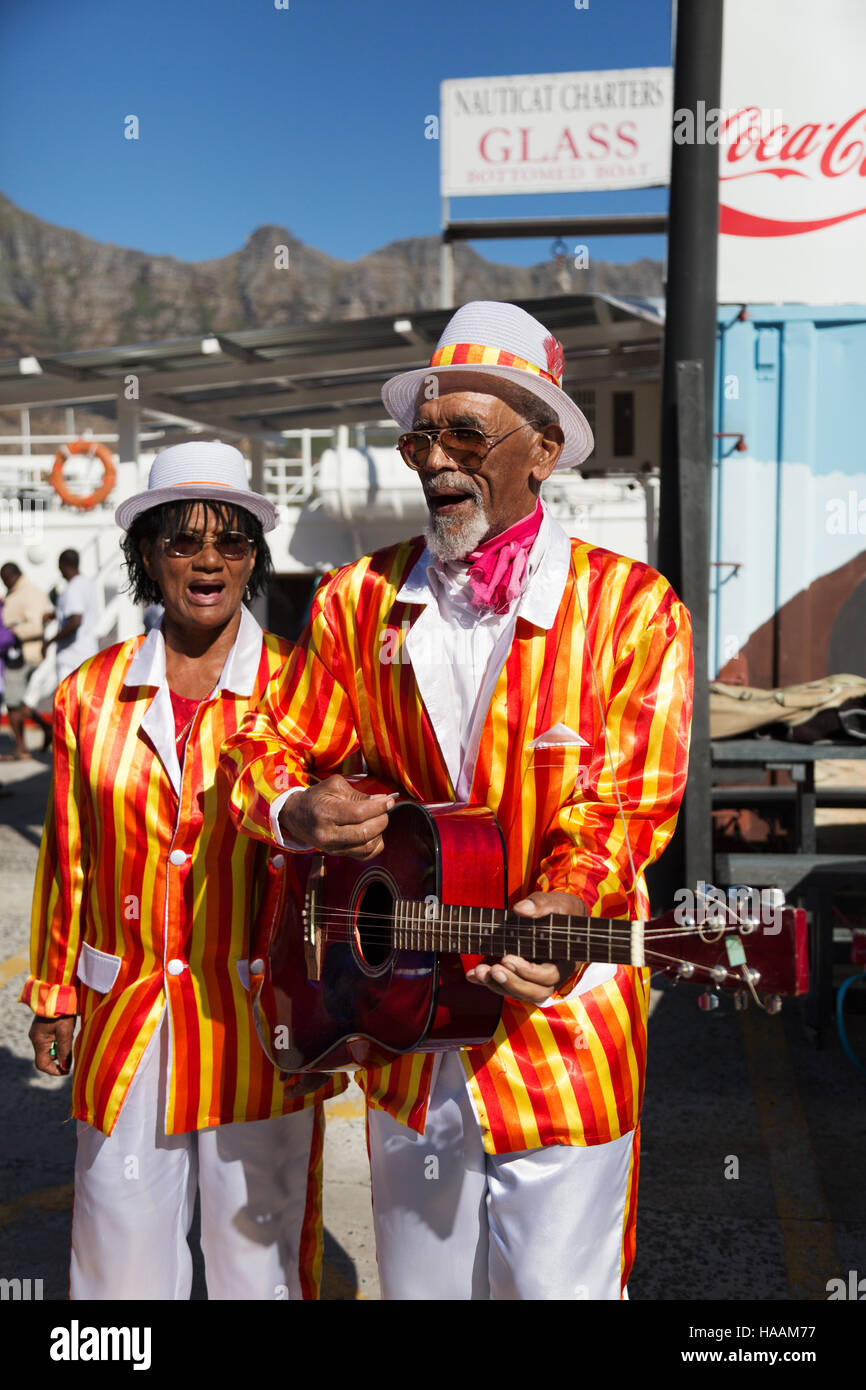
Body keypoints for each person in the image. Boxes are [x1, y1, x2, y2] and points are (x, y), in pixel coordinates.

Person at [222, 302, 693, 1300]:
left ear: (543, 449)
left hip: (556, 1035)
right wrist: (290, 808)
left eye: (464, 434)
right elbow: (263, 743)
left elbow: (627, 802)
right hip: (403, 1030)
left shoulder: (629, 609)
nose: (435, 459)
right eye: (419, 438)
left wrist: (569, 897)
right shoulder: (357, 598)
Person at [21, 441, 339, 1300]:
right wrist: (54, 989)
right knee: (117, 1256)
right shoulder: (89, 694)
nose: (209, 562)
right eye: (183, 540)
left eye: (232, 542)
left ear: (253, 558)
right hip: (126, 1016)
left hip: (261, 1022)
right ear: (147, 555)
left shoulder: (301, 687)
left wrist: (336, 1008)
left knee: (257, 1263)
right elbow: (71, 853)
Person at [0, 562, 51, 759]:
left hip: (23, 655)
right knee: (22, 703)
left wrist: (14, 632)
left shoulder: (27, 593)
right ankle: (45, 729)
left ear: (12, 576)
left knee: (14, 705)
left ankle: (21, 748)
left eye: (4, 579)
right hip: (22, 654)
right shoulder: (20, 591)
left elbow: (36, 625)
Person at [42, 549, 100, 684]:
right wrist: (56, 614)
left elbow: (75, 620)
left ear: (63, 564)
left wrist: (50, 641)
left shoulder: (73, 588)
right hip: (88, 652)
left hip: (71, 657)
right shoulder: (88, 584)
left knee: (67, 703)